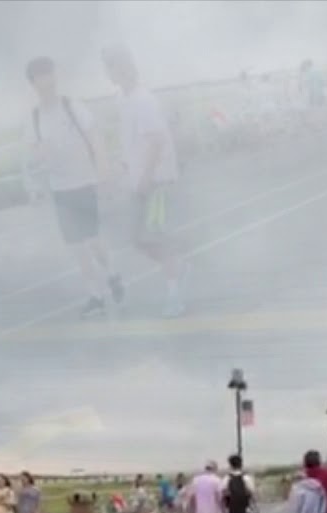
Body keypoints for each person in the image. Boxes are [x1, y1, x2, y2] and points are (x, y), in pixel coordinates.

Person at [22, 56, 123, 319]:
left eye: (49, 73)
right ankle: (95, 296)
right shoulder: (34, 118)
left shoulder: (72, 107)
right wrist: (39, 155)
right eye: (40, 76)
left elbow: (95, 138)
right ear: (33, 82)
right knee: (77, 248)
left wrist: (103, 171)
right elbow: (33, 151)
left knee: (94, 241)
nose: (47, 80)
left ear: (55, 76)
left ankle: (112, 273)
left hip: (83, 182)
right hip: (60, 189)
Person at [101, 45, 189, 318]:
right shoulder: (123, 100)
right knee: (137, 239)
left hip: (155, 181)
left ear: (127, 67)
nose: (112, 71)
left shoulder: (143, 99)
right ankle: (178, 265)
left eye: (115, 65)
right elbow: (134, 141)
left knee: (157, 237)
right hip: (139, 179)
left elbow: (156, 140)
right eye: (109, 66)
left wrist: (146, 178)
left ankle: (174, 294)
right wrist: (124, 167)